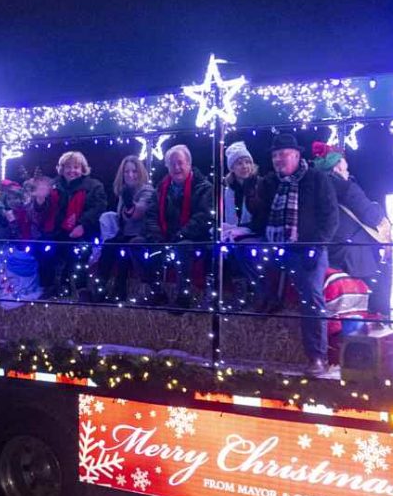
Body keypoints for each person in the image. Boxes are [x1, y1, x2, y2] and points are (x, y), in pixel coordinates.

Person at [227, 132, 339, 375]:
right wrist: (250, 192)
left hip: (305, 246)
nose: (278, 159)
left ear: (297, 155)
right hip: (275, 243)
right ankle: (268, 295)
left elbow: (331, 218)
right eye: (275, 156)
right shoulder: (270, 182)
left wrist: (316, 246)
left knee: (311, 295)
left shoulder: (316, 179)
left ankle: (317, 357)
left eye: (283, 154)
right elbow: (260, 216)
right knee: (241, 249)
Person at [143, 144, 214, 307]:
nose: (176, 167)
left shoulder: (204, 187)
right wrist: (157, 237)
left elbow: (203, 217)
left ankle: (184, 295)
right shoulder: (161, 188)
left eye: (180, 163)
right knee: (141, 245)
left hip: (193, 238)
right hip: (165, 236)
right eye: (172, 164)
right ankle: (156, 292)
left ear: (189, 163)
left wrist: (180, 235)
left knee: (182, 247)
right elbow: (151, 215)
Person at [29, 151, 107, 298]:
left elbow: (98, 208)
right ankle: (49, 286)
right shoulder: (53, 185)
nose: (72, 171)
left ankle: (81, 288)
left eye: (76, 167)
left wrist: (83, 225)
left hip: (82, 231)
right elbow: (42, 212)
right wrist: (40, 201)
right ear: (62, 169)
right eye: (68, 167)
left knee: (81, 250)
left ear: (83, 169)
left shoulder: (94, 186)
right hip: (56, 232)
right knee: (44, 247)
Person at [311, 141, 390, 281]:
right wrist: (377, 206)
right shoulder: (345, 187)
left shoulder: (314, 187)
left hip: (324, 254)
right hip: (351, 257)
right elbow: (372, 216)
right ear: (337, 167)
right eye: (344, 163)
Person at [92, 155, 156, 302]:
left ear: (140, 173)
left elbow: (138, 212)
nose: (130, 175)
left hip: (143, 235)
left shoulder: (147, 191)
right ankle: (101, 287)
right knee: (109, 245)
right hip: (126, 234)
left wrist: (130, 205)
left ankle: (120, 290)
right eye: (127, 171)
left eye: (134, 171)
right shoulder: (124, 192)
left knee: (125, 249)